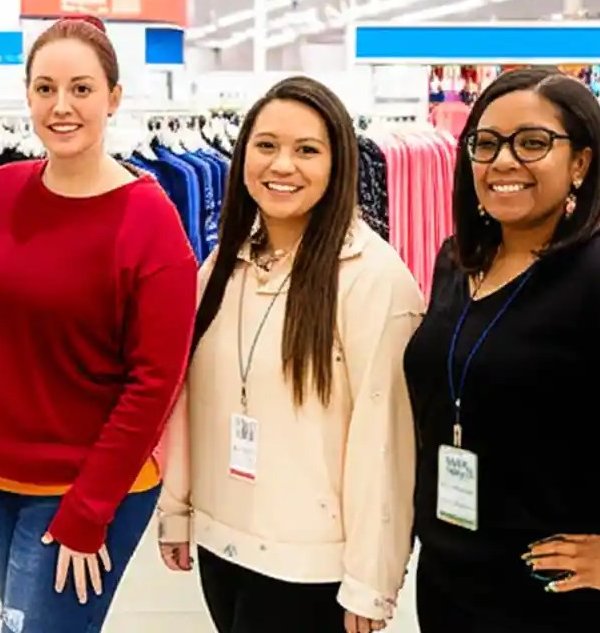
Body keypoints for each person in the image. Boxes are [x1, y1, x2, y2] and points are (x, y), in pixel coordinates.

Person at [403, 68, 600, 633]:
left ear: (580, 162)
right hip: (450, 582)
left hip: (557, 601)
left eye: (532, 143)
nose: (503, 161)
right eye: (486, 143)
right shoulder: (458, 262)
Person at [0, 15, 198, 632]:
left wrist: (91, 508)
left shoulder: (150, 219)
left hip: (86, 488)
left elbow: (156, 381)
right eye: (45, 88)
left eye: (82, 88)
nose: (61, 106)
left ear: (113, 98)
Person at [156, 77, 422, 633]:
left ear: (338, 163)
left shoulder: (374, 280)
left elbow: (385, 442)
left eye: (307, 150)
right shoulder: (223, 266)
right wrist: (178, 510)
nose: (283, 165)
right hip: (224, 544)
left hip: (310, 566)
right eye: (266, 145)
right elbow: (189, 402)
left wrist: (372, 581)